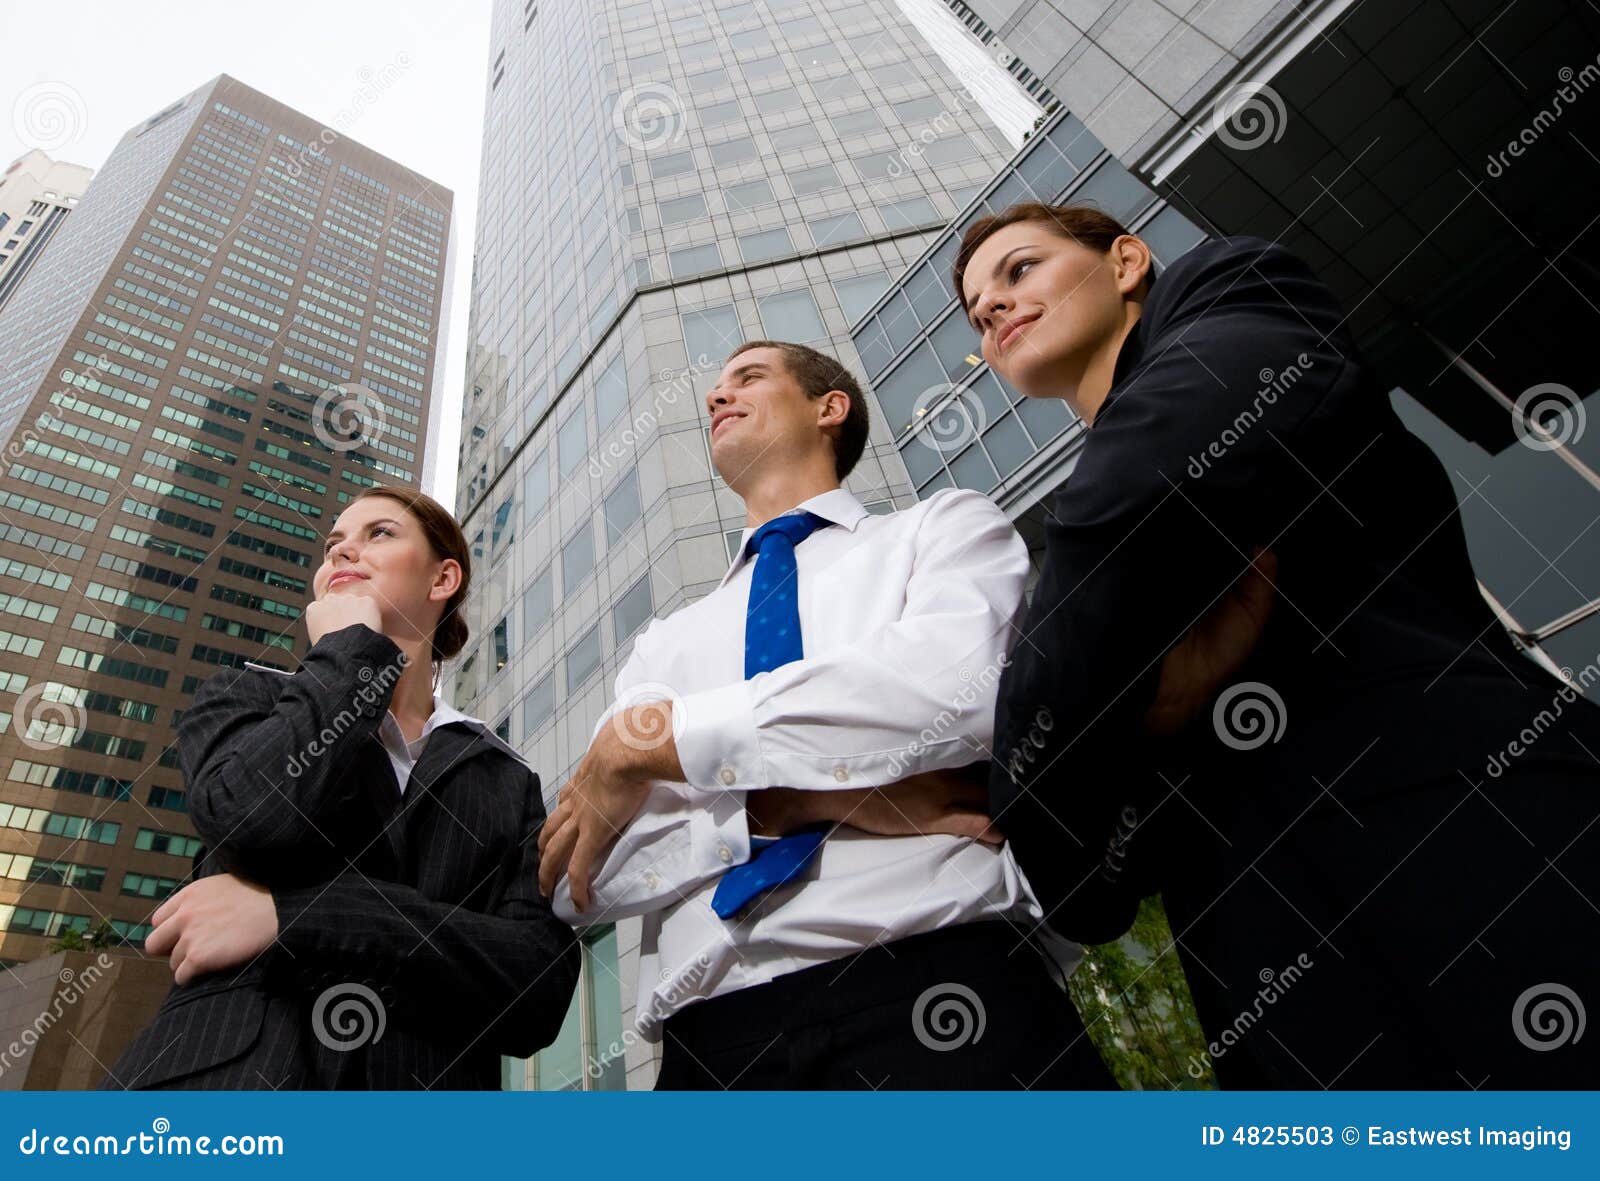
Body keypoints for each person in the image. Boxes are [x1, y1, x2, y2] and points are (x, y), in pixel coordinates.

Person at [956, 202, 1600, 1088]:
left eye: (1019, 269)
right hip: (1260, 962)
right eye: (976, 311)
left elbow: (1144, 480)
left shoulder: (1235, 289)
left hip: (1478, 837)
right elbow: (1077, 886)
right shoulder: (1092, 534)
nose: (991, 307)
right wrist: (1148, 715)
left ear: (1128, 262)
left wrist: (1089, 708)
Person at [536, 340, 1261, 1089]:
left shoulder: (943, 529)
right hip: (710, 1050)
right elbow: (578, 879)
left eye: (748, 377)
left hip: (948, 991)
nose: (717, 397)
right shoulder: (660, 645)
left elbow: (952, 691)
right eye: (714, 388)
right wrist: (809, 799)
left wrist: (657, 748)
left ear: (830, 407)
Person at [105, 486, 579, 1090]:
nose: (342, 551)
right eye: (334, 544)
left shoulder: (506, 778)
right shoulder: (243, 699)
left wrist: (295, 916)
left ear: (442, 579)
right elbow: (252, 819)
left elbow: (536, 991)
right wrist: (349, 652)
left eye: (378, 533)